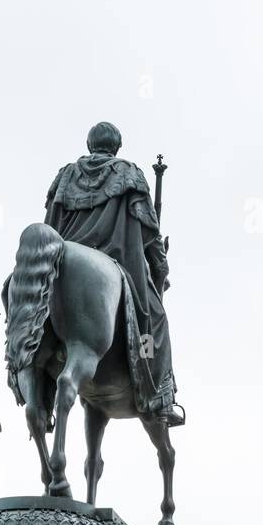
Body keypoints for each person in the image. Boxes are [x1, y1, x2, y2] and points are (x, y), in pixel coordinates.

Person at [44, 121, 182, 423]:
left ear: (90, 144)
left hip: (60, 261)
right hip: (119, 261)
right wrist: (160, 265)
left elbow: (50, 225)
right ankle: (158, 395)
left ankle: (34, 391)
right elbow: (150, 233)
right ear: (116, 147)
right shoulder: (129, 174)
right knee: (154, 322)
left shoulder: (65, 176)